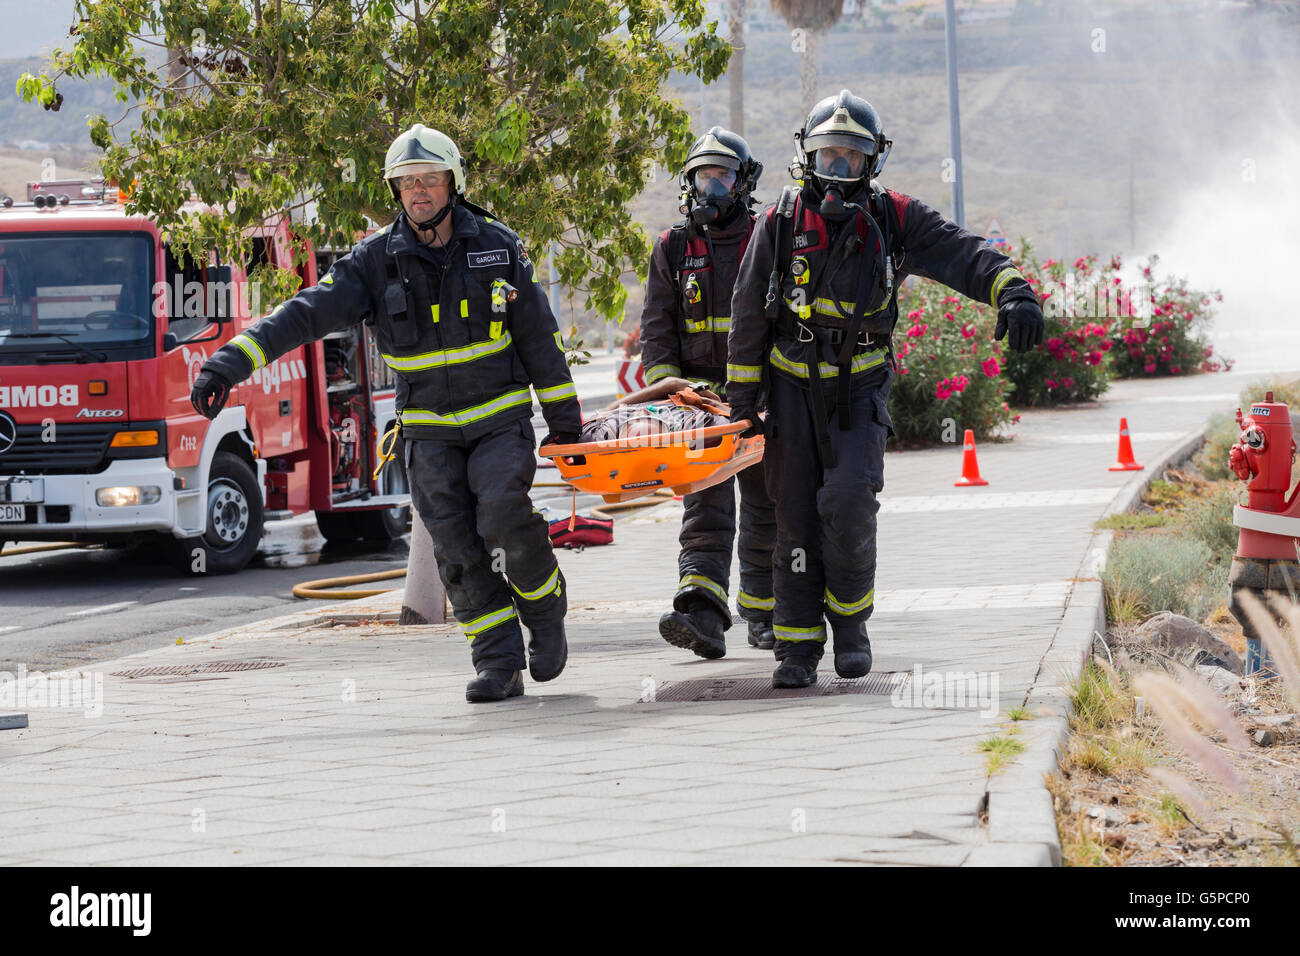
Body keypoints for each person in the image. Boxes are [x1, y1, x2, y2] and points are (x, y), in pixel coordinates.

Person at [190, 124, 582, 703]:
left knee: (502, 515)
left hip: (499, 421)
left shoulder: (498, 246)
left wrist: (566, 426)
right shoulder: (373, 262)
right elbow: (304, 313)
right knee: (454, 545)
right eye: (406, 182)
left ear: (454, 182)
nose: (418, 190)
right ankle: (497, 662)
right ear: (395, 191)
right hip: (428, 435)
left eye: (428, 178)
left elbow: (539, 342)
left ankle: (545, 614)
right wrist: (229, 362)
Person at [726, 91, 1044, 688]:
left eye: (852, 159)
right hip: (790, 393)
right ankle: (796, 650)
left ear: (872, 163)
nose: (838, 173)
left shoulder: (894, 218)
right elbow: (747, 317)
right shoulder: (779, 222)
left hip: (859, 392)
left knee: (847, 506)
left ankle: (850, 628)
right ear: (806, 159)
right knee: (793, 516)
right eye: (828, 158)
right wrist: (744, 410)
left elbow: (962, 252)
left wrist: (1013, 288)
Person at [638, 127, 778, 660]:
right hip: (699, 410)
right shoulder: (673, 247)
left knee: (768, 508)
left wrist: (771, 392)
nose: (711, 186)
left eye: (721, 175)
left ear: (743, 182)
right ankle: (701, 615)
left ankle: (763, 614)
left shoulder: (768, 236)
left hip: (761, 402)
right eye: (702, 175)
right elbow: (658, 329)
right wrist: (675, 396)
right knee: (705, 508)